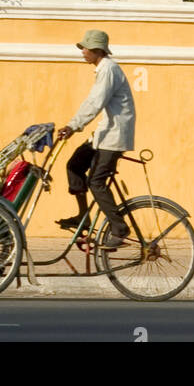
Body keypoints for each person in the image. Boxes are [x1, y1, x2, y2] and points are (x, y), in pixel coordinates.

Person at [56, 29, 136, 250]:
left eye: (86, 48)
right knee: (74, 165)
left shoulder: (109, 69)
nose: (82, 51)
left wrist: (73, 125)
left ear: (97, 50)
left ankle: (119, 229)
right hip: (103, 132)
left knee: (97, 182)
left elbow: (95, 102)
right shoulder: (103, 69)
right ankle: (84, 216)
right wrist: (74, 124)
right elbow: (93, 102)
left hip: (114, 136)